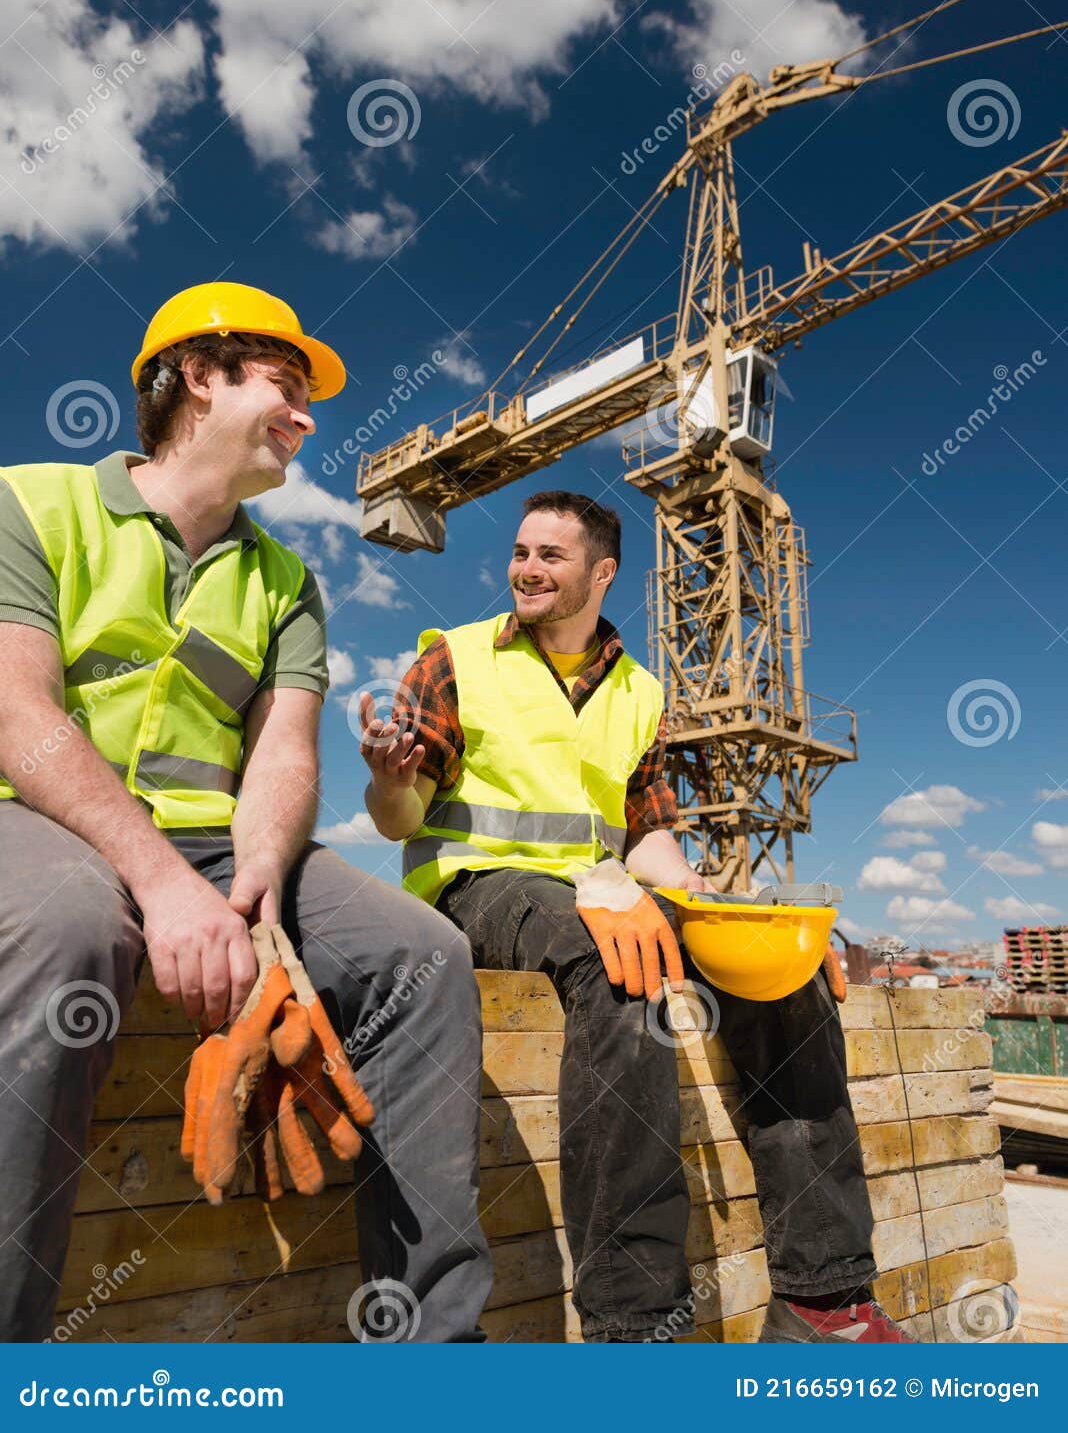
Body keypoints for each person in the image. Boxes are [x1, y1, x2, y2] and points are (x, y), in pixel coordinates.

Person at [0, 282, 491, 1343]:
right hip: (34, 817)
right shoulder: (32, 504)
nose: (307, 415)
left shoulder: (287, 582)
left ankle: (433, 1358)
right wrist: (168, 891)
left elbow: (281, 752)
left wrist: (256, 897)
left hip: (220, 843)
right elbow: (18, 713)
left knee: (429, 957)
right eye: (283, 382)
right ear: (196, 377)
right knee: (68, 928)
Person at [361, 489, 915, 1344]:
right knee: (624, 977)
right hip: (478, 889)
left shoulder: (640, 691)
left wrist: (721, 913)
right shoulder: (455, 660)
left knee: (782, 976)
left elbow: (648, 839)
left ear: (603, 573)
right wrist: (391, 776)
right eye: (519, 553)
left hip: (602, 889)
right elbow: (400, 820)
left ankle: (824, 1296)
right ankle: (636, 1323)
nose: (526, 569)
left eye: (550, 555)